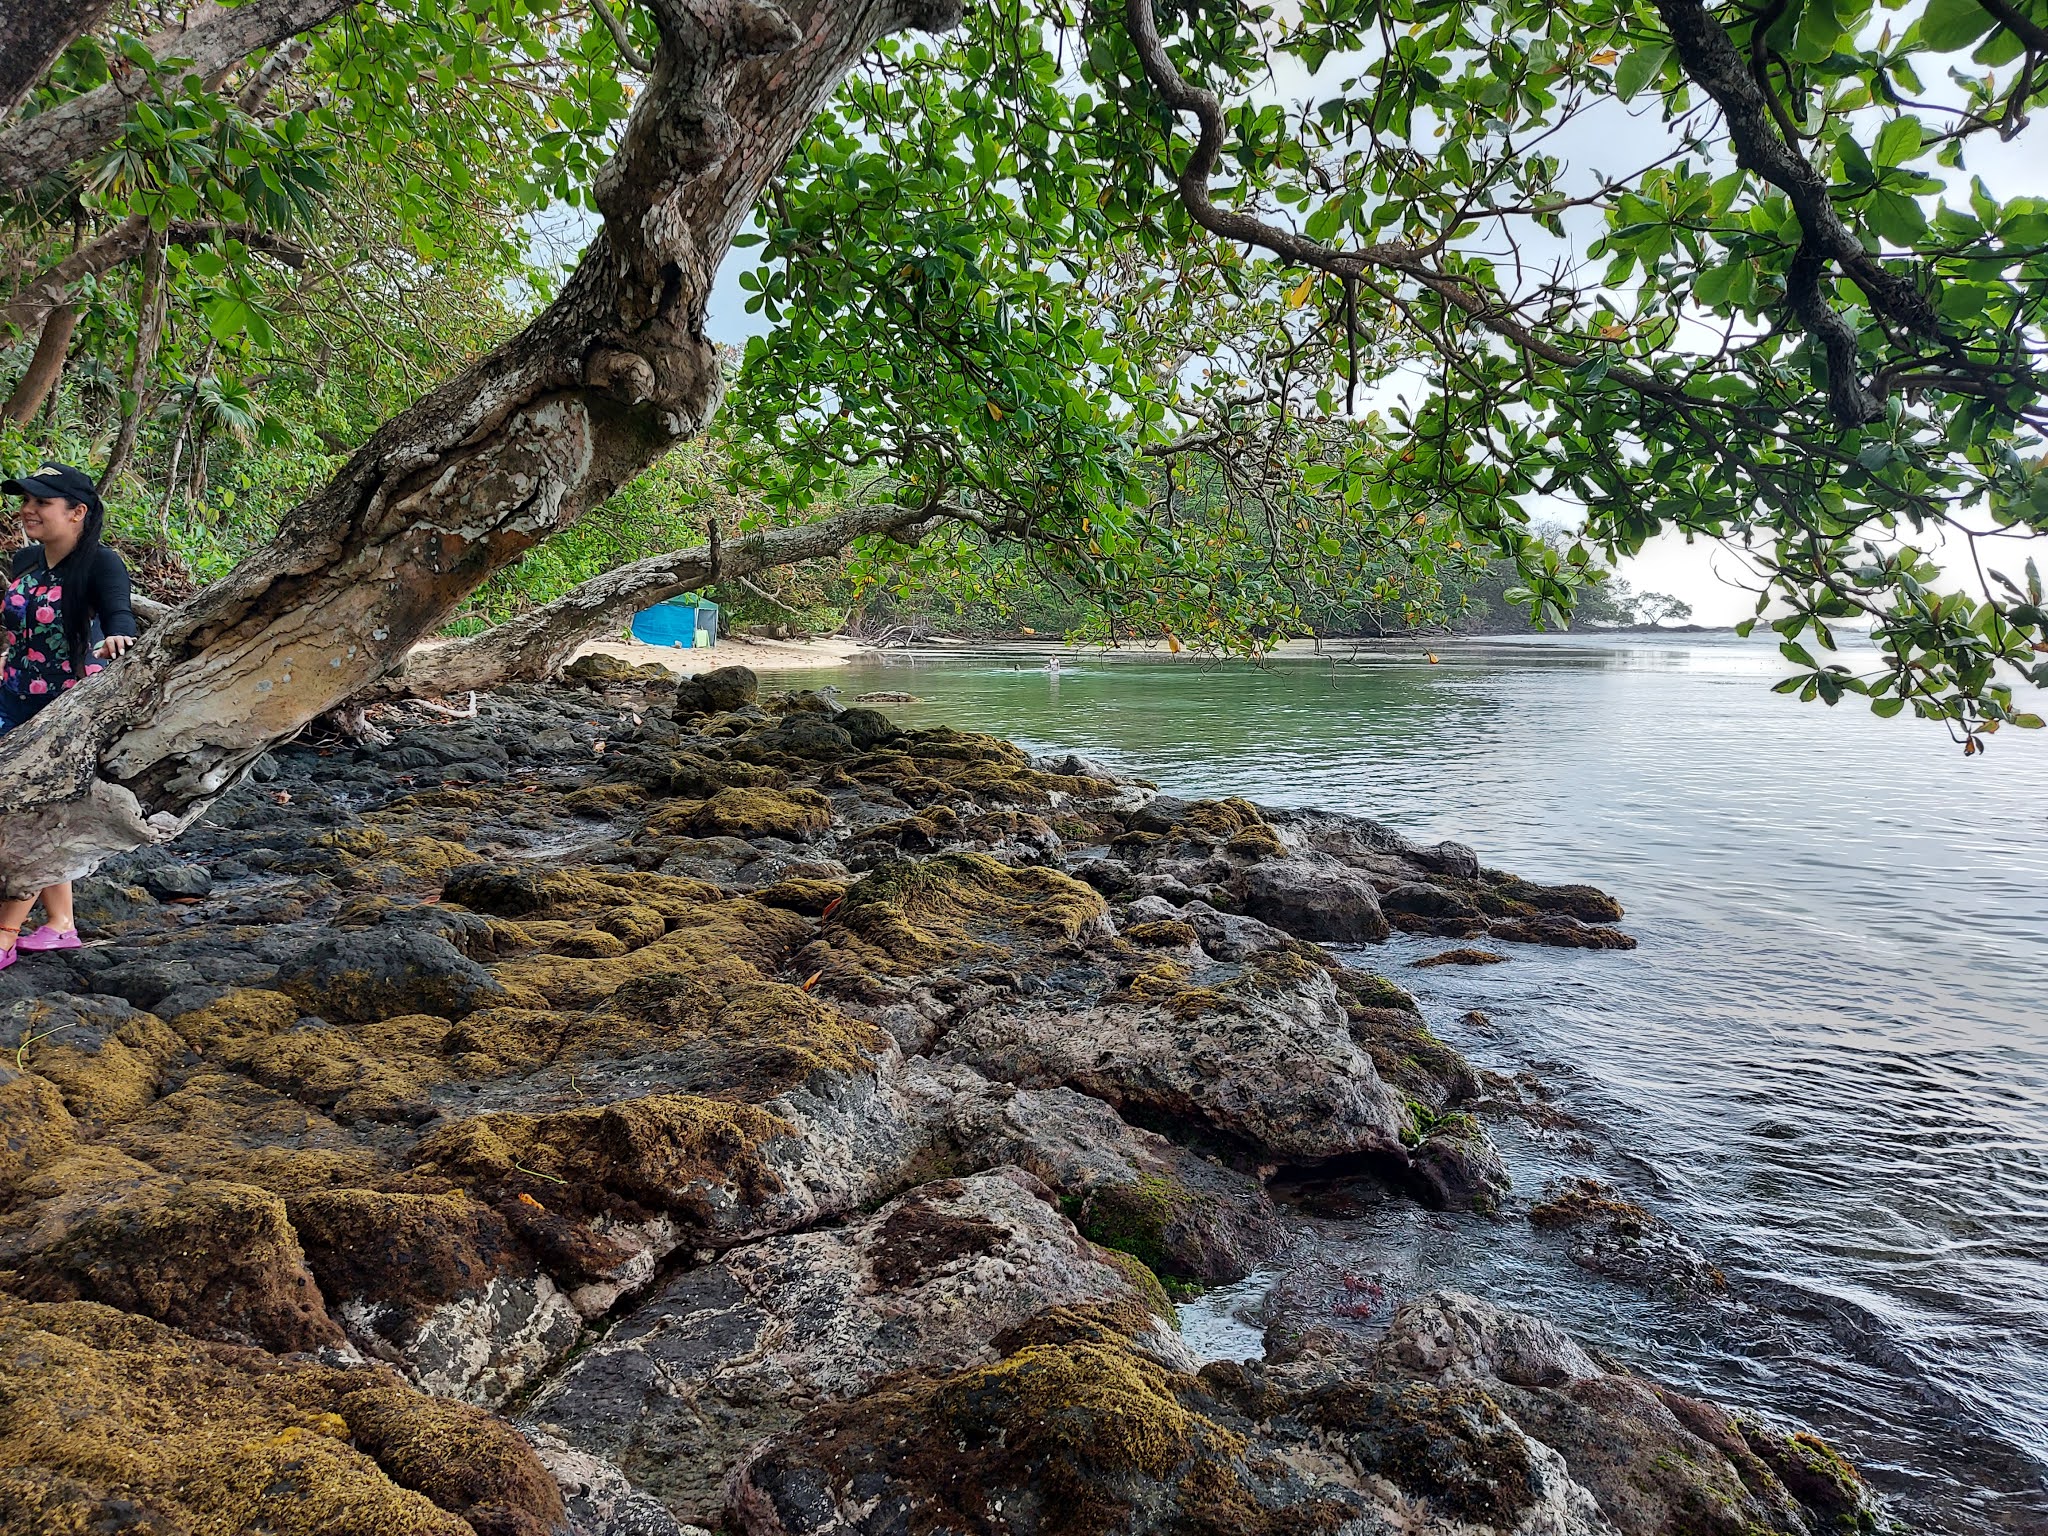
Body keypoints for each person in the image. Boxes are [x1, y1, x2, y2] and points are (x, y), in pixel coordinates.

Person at [0, 462, 136, 970]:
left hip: (63, 714)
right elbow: (17, 625)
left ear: (78, 512)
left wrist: (118, 637)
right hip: (10, 699)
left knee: (31, 815)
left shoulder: (101, 563)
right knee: (28, 813)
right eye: (26, 500)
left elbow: (118, 614)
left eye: (42, 502)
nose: (28, 510)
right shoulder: (25, 559)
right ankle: (61, 925)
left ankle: (6, 932)